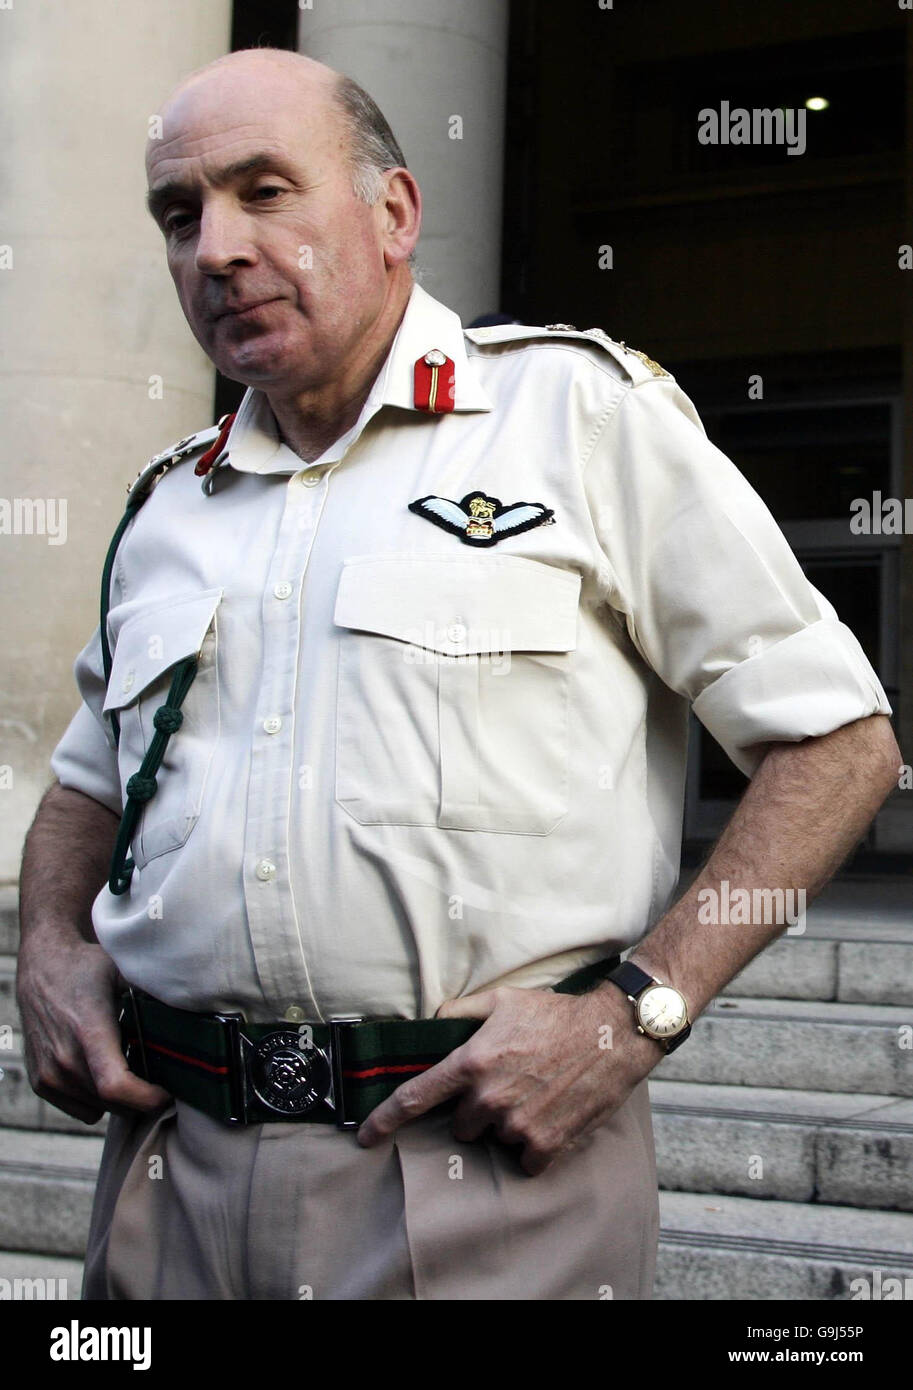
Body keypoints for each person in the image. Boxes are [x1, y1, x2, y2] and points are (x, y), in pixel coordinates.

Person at [16, 47, 900, 1301]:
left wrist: (633, 1012)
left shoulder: (574, 415)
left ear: (393, 214)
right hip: (172, 1173)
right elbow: (85, 788)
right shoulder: (169, 503)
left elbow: (838, 740)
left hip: (477, 1175)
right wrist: (47, 947)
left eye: (264, 191)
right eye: (180, 213)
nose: (214, 247)